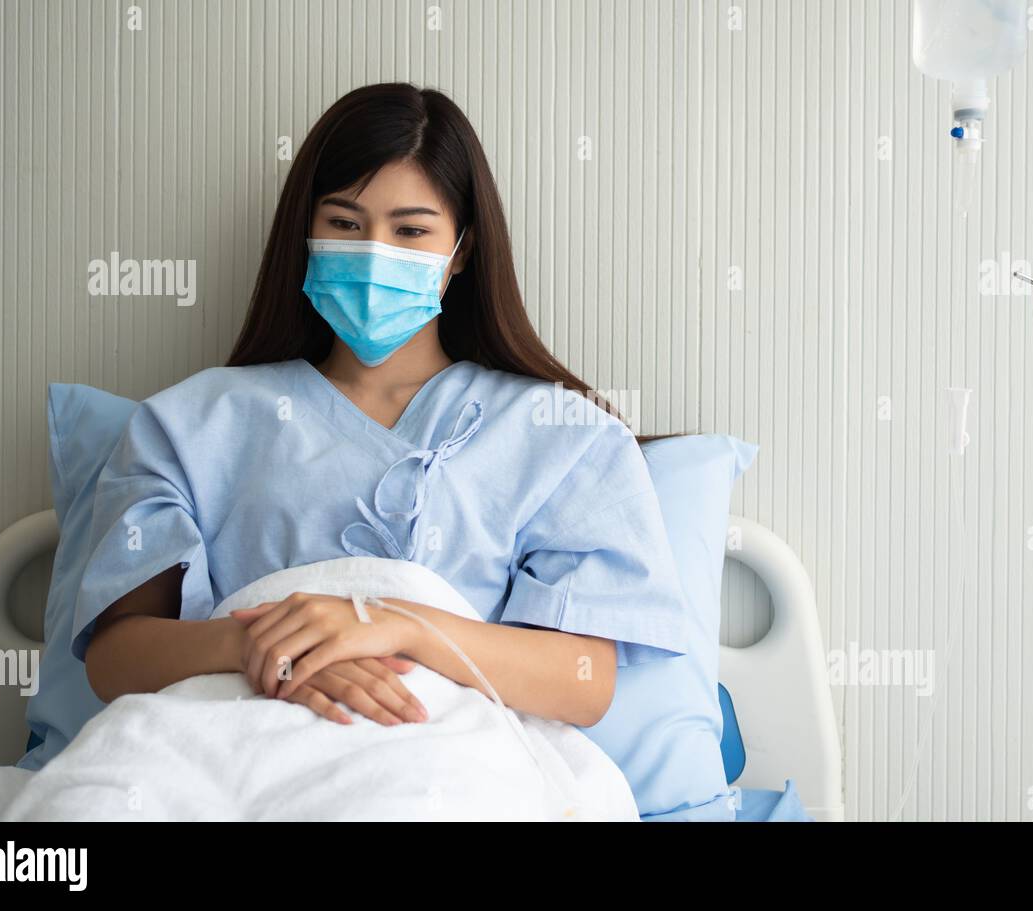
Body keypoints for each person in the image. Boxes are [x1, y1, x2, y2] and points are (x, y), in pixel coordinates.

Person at [75, 82, 689, 735]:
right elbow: (115, 657)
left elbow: (583, 683)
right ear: (305, 234)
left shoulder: (560, 434)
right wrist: (257, 644)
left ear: (462, 250)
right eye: (344, 224)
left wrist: (398, 625)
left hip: (449, 757)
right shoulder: (191, 424)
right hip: (236, 742)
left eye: (410, 231)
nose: (373, 254)